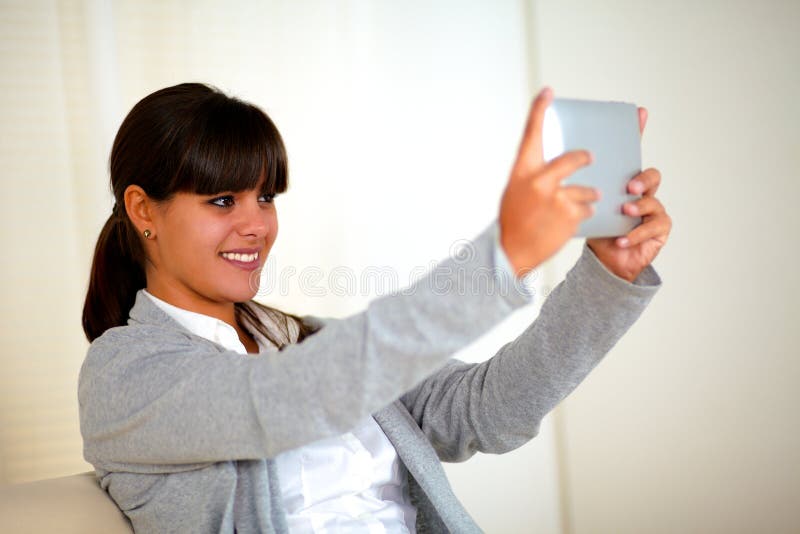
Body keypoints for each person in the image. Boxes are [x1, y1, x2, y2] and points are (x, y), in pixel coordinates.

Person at [79, 82, 670, 533]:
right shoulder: (123, 373)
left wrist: (606, 277)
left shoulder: (308, 341)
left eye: (265, 196)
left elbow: (485, 412)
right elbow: (282, 404)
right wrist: (505, 254)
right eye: (222, 199)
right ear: (143, 210)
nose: (256, 224)